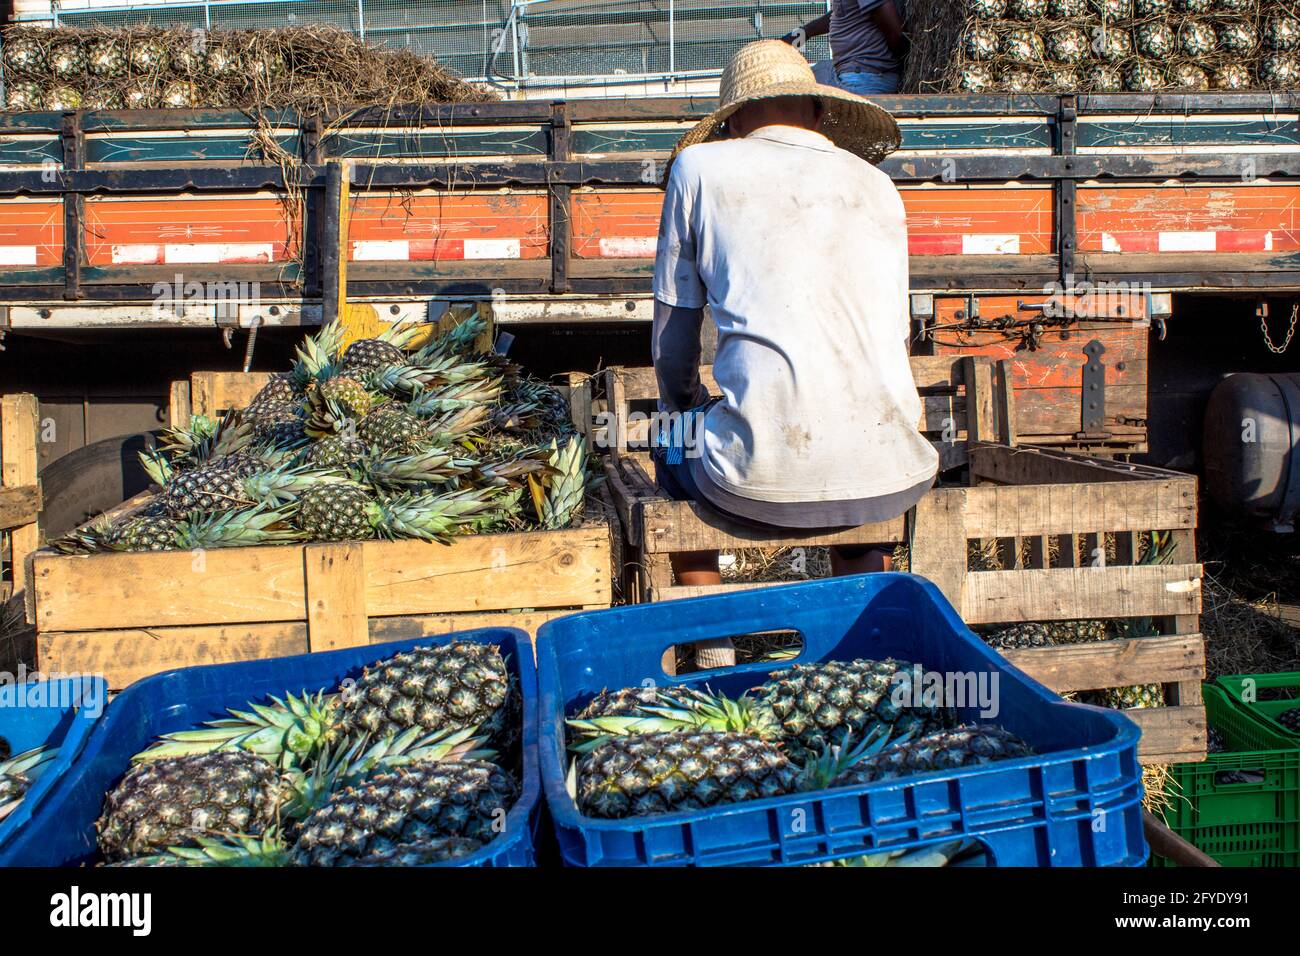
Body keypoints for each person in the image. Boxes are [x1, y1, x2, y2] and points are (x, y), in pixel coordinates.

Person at [651, 40, 937, 665]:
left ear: (731, 119)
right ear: (816, 107)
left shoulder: (700, 169)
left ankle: (713, 648)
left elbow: (675, 340)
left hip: (756, 486)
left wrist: (685, 403)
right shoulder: (878, 183)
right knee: (854, 461)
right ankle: (862, 645)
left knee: (665, 432)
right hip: (895, 472)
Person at [782, 0, 909, 96]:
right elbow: (842, 14)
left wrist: (901, 62)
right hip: (857, 73)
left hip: (865, 76)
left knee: (793, 89)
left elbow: (895, 33)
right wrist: (800, 35)